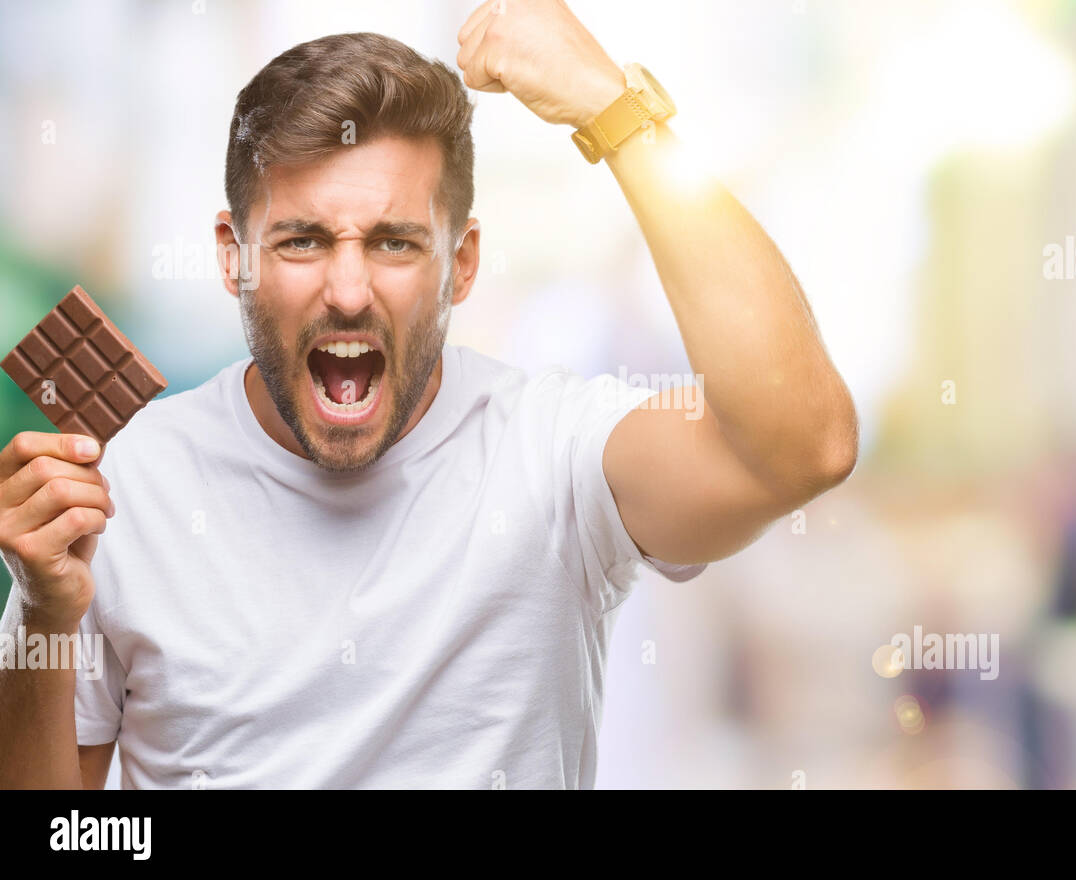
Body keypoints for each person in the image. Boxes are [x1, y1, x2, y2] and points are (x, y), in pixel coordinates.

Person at [0, 0, 857, 789]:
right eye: (301, 240)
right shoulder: (128, 487)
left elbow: (805, 447)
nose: (346, 289)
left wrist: (615, 112)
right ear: (234, 256)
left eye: (394, 243)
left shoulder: (549, 454)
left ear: (463, 263)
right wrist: (43, 617)